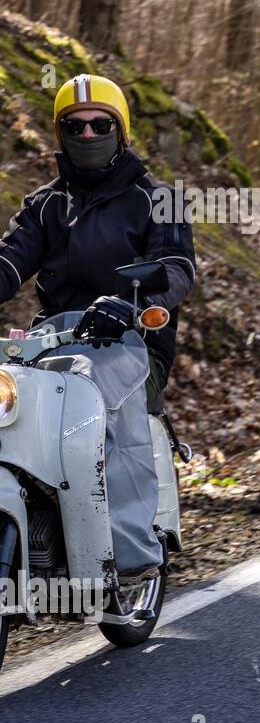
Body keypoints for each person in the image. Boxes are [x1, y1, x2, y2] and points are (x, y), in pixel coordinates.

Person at [0, 74, 197, 580]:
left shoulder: (161, 198)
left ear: (121, 129)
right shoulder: (44, 205)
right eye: (75, 126)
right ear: (60, 133)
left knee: (92, 391)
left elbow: (177, 268)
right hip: (55, 341)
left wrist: (133, 302)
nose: (88, 135)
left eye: (100, 124)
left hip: (134, 343)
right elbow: (9, 263)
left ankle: (131, 553)